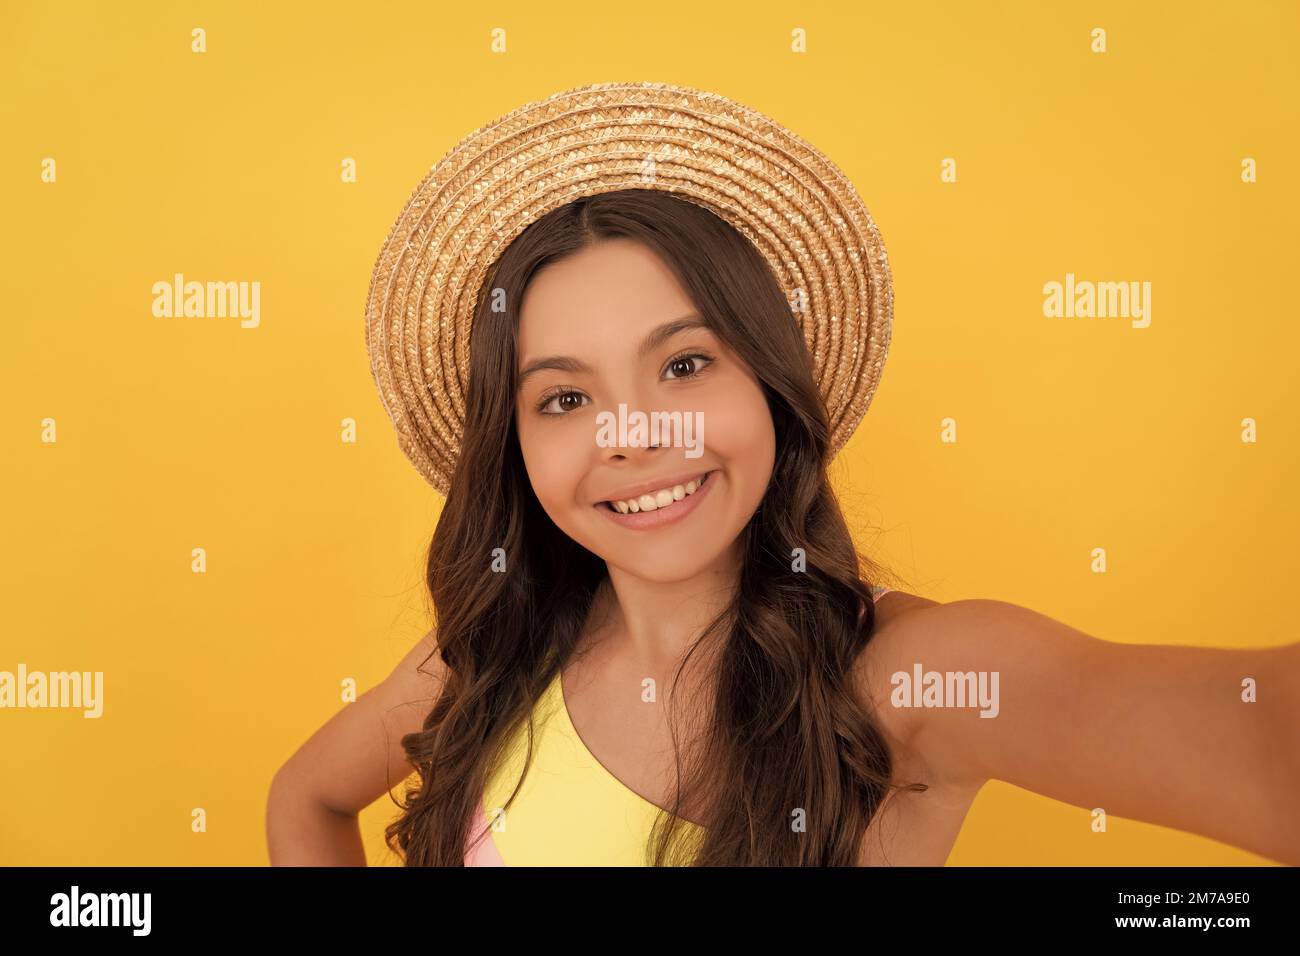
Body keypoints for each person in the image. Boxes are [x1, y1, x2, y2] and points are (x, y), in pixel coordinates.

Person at [266, 84, 1299, 867]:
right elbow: (303, 795)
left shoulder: (902, 677)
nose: (628, 432)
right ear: (517, 444)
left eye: (683, 363)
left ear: (768, 384)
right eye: (565, 397)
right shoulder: (493, 647)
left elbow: (1263, 737)